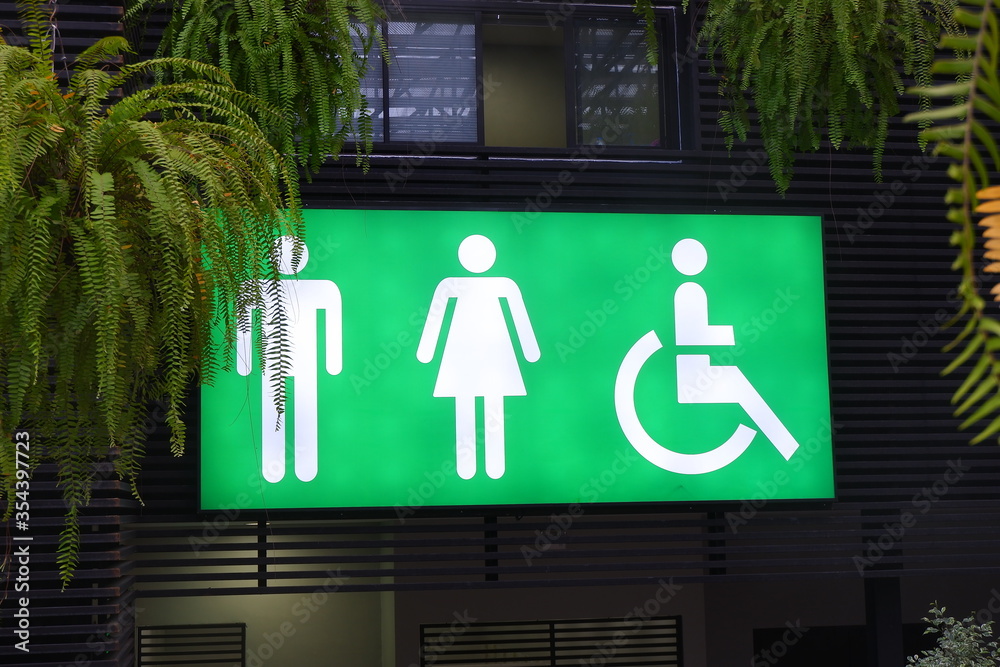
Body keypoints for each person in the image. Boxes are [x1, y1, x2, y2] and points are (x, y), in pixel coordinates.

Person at [417, 234, 540, 480]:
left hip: (493, 357)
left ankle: (492, 466)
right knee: (468, 405)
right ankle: (468, 465)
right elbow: (435, 318)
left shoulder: (502, 285)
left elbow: (520, 318)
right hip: (463, 357)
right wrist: (426, 350)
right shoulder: (451, 285)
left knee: (491, 407)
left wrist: (530, 349)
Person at [237, 236, 343, 483]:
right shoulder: (258, 288)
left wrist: (333, 359)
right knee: (278, 407)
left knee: (303, 409)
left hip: (301, 358)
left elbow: (333, 320)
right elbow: (243, 322)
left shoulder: (321, 288)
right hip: (274, 358)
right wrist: (244, 361)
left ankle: (304, 465)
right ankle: (277, 466)